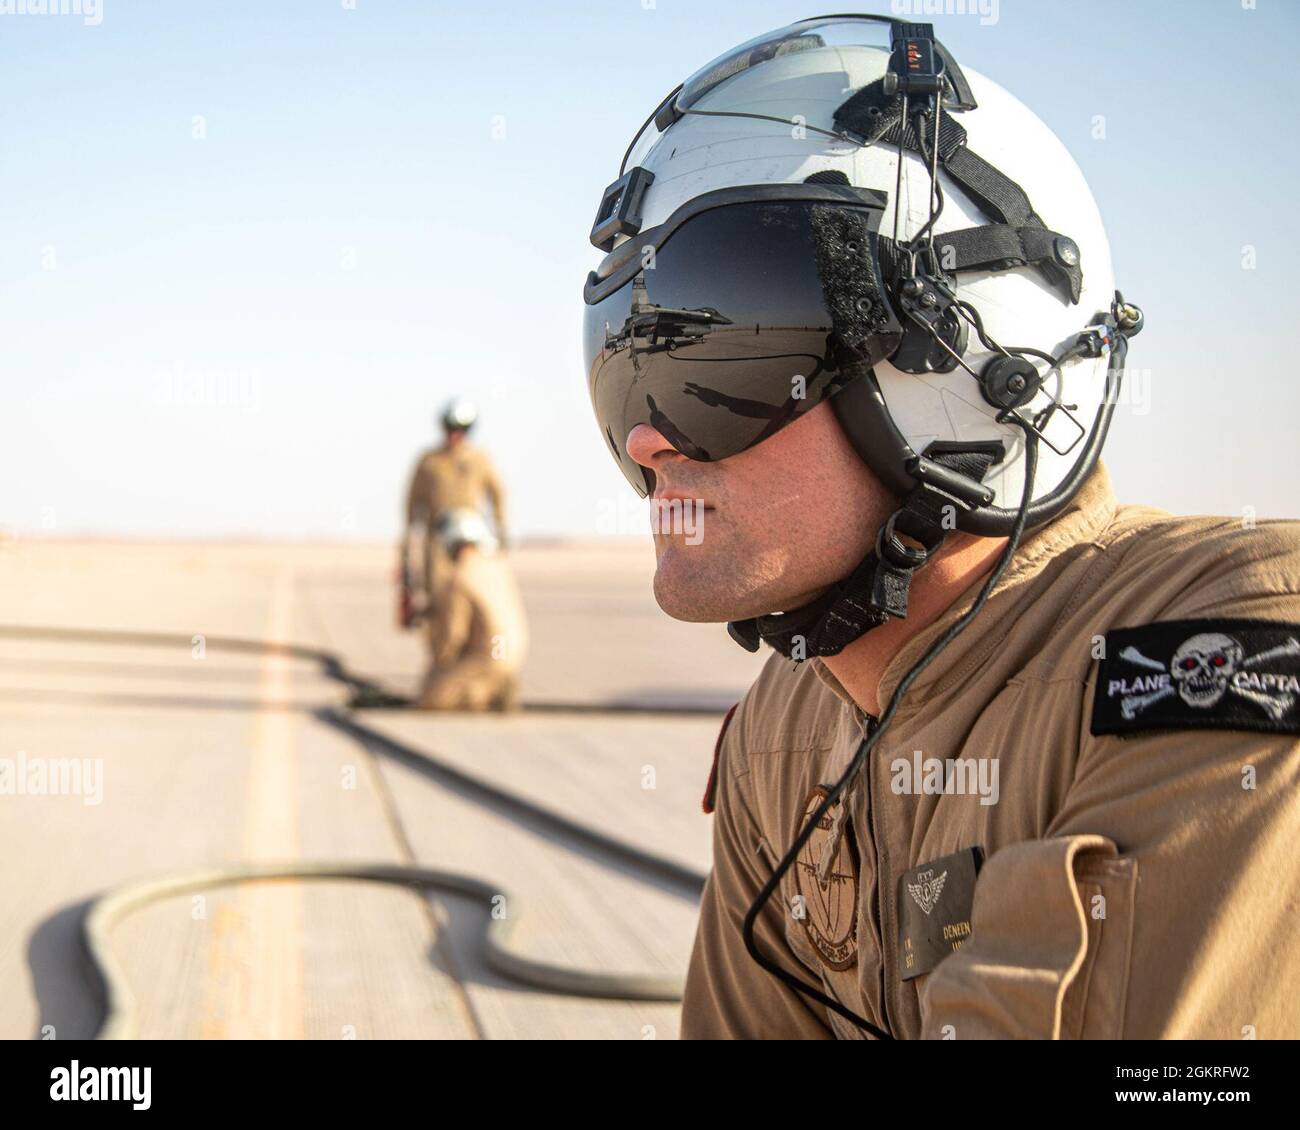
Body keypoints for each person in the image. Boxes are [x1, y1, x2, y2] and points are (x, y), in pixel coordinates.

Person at [581, 16, 1300, 1039]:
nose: (647, 438)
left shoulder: (1223, 652)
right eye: (621, 356)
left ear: (973, 358)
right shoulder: (785, 731)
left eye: (724, 359)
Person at [399, 398, 508, 628]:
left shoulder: (479, 460)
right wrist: (408, 543)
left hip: (471, 544)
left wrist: (501, 531)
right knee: (439, 600)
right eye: (450, 428)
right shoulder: (429, 462)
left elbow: (497, 494)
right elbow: (412, 502)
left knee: (471, 597)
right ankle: (442, 659)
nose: (454, 435)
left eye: (460, 429)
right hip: (438, 542)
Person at [416, 508, 527, 712]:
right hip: (508, 653)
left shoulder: (458, 579)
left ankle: (484, 694)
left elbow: (451, 639)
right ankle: (495, 684)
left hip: (490, 657)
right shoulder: (498, 568)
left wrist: (436, 659)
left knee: (431, 696)